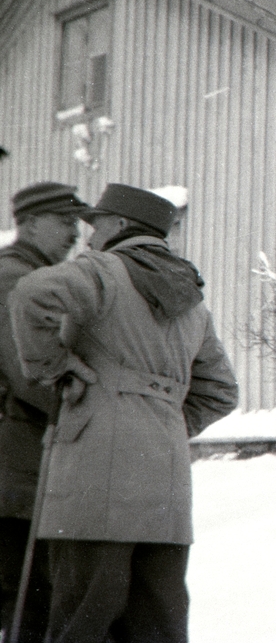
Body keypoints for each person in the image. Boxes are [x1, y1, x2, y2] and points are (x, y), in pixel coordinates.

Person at [8, 183, 239, 643]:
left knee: (82, 621)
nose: (87, 237)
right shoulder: (190, 297)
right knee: (156, 627)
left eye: (95, 225)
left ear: (118, 225)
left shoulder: (103, 271)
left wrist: (55, 367)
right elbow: (221, 392)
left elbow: (31, 294)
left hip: (93, 484)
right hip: (166, 491)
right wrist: (162, 421)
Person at [0, 183, 90, 643]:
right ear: (30, 224)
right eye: (65, 221)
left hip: (20, 470)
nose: (75, 233)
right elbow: (32, 375)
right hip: (17, 471)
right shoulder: (18, 281)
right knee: (27, 607)